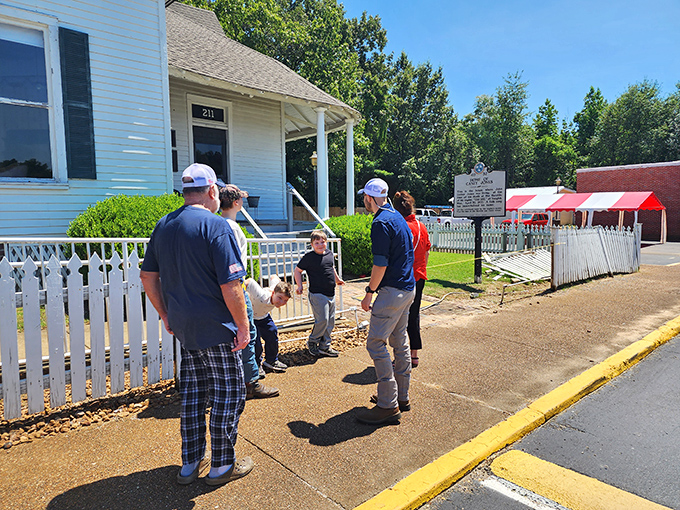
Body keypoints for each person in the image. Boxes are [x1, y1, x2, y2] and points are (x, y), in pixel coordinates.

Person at [140, 163, 253, 485]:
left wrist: (165, 313)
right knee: (228, 395)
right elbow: (231, 285)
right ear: (213, 191)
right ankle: (221, 465)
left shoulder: (164, 225)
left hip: (184, 327)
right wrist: (243, 327)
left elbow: (148, 276)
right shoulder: (216, 226)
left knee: (193, 395)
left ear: (185, 191)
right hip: (217, 327)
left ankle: (189, 464)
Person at [356, 177, 415, 426]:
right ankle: (402, 397)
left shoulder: (380, 222)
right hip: (408, 288)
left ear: (370, 198)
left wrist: (369, 291)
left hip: (391, 292)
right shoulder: (398, 217)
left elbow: (380, 264)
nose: (364, 202)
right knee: (399, 342)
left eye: (364, 198)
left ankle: (388, 405)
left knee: (376, 344)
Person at [219, 184, 279, 400]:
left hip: (224, 286)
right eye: (241, 199)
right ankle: (250, 382)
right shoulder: (232, 228)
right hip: (236, 285)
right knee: (248, 333)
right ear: (237, 203)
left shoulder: (216, 223)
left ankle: (235, 380)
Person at [393, 190, 431, 368]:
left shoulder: (401, 226)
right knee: (414, 315)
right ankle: (414, 354)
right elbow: (427, 250)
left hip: (403, 278)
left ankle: (401, 356)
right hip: (419, 276)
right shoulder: (421, 226)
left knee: (399, 316)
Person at [294, 230, 345, 357]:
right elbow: (297, 271)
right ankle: (313, 341)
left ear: (326, 242)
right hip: (317, 294)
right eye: (317, 243)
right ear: (312, 244)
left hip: (331, 293)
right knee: (322, 319)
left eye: (322, 242)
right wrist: (299, 285)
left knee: (331, 321)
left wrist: (337, 279)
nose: (320, 245)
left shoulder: (329, 254)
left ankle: (325, 346)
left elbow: (331, 268)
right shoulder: (309, 258)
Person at [245, 275, 292, 372]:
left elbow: (273, 277)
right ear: (273, 293)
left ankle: (271, 361)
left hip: (263, 316)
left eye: (285, 300)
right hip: (251, 318)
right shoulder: (262, 295)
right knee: (256, 343)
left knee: (272, 332)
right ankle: (256, 365)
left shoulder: (275, 288)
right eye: (279, 298)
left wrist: (279, 281)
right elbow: (249, 281)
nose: (281, 302)